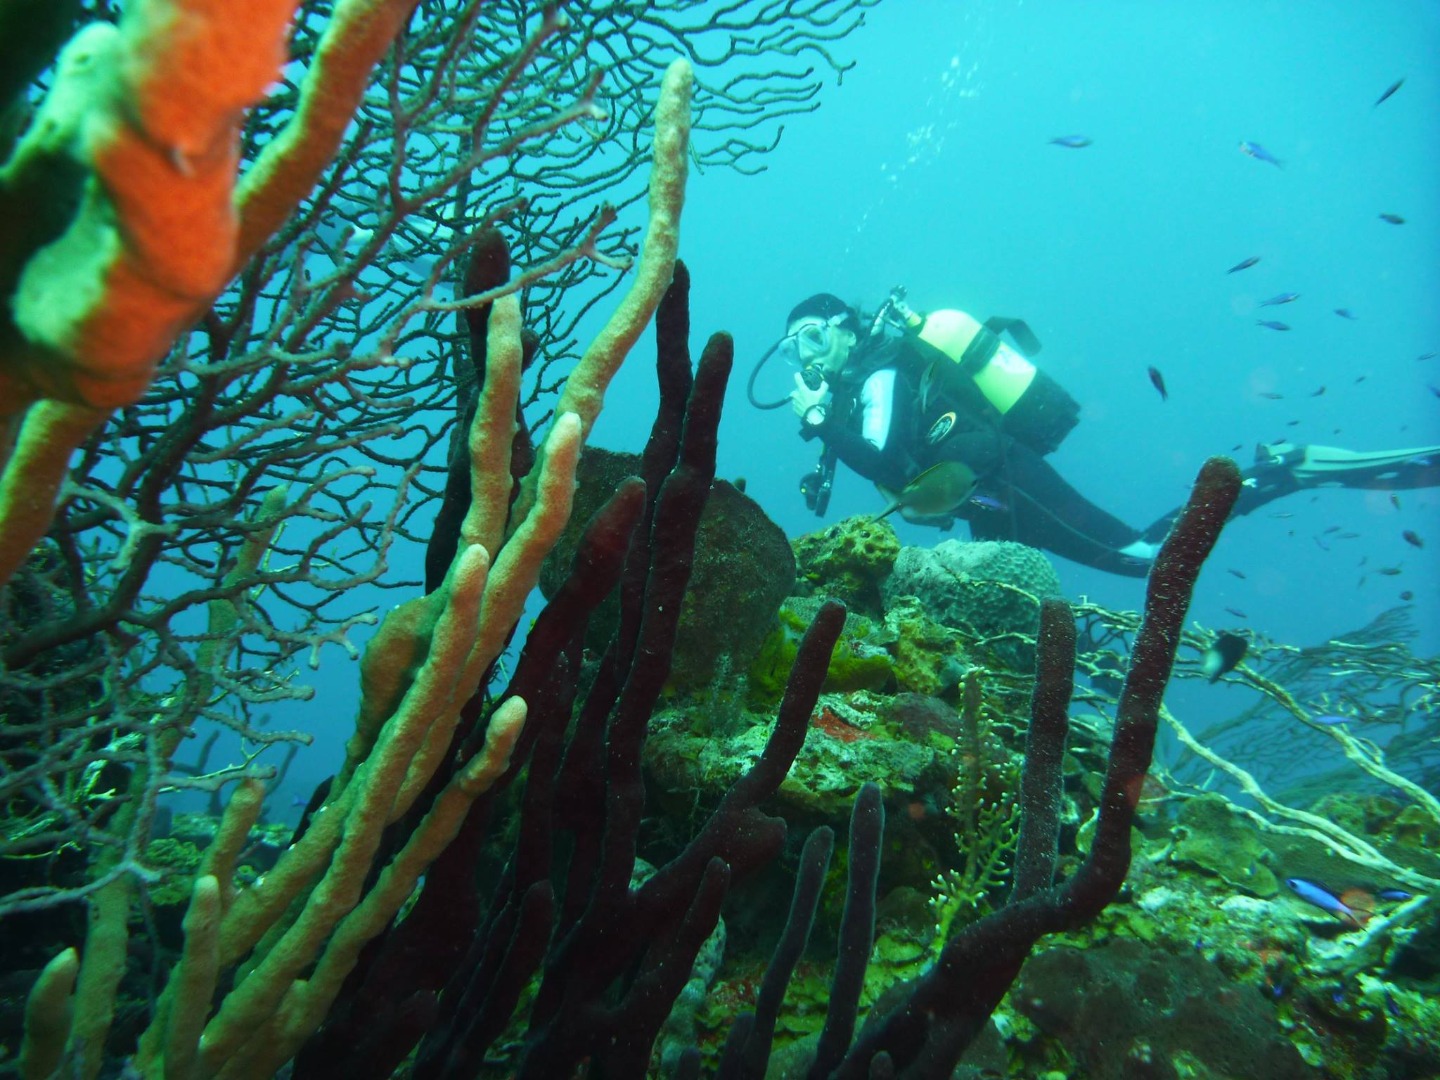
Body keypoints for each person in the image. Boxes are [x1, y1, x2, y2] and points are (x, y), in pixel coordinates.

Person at [746, 289, 1440, 578]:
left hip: (1001, 479)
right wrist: (824, 428)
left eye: (809, 338)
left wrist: (816, 421)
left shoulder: (879, 371)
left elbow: (883, 454)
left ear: (843, 328)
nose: (803, 358)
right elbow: (891, 467)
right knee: (1006, 597)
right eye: (790, 351)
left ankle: (1280, 470)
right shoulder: (860, 386)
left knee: (1145, 558)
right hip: (980, 498)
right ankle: (1276, 469)